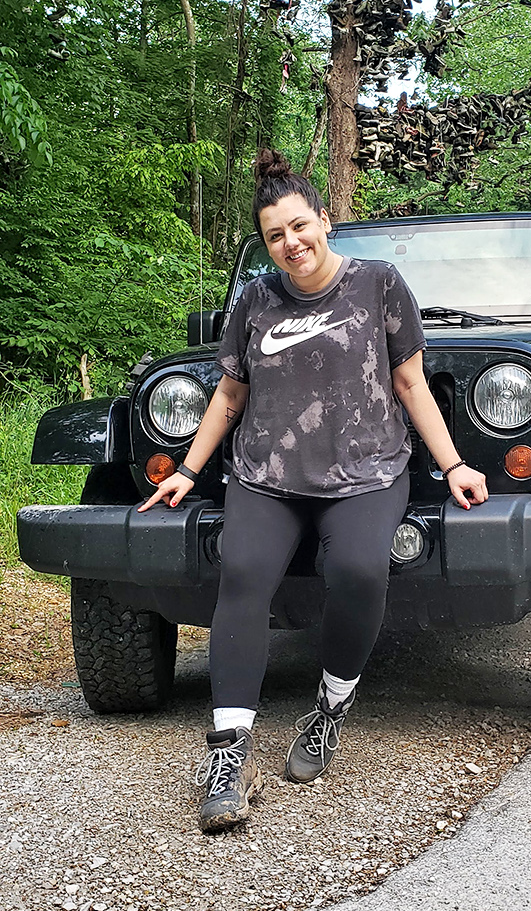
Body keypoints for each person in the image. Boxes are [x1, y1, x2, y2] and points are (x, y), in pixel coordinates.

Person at [140, 149, 488, 831]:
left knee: (359, 570)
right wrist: (186, 467)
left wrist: (452, 465)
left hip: (365, 471)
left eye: (300, 226)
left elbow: (411, 383)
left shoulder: (379, 284)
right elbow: (230, 393)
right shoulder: (255, 299)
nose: (291, 243)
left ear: (325, 220)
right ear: (266, 244)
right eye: (275, 235)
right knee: (241, 572)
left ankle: (328, 709)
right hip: (268, 477)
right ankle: (228, 754)